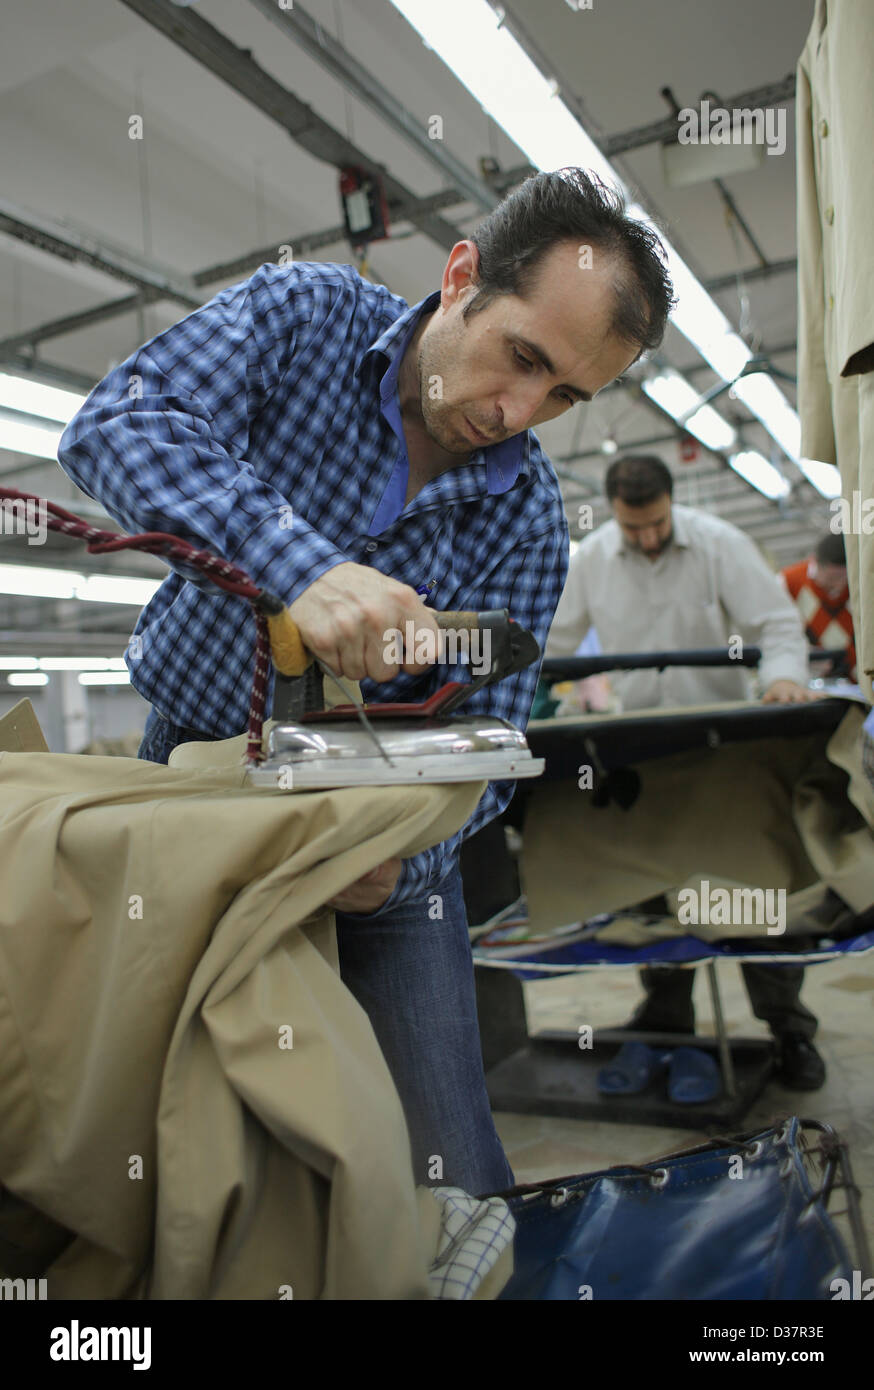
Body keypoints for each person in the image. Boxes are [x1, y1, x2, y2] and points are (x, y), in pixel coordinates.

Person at [57, 170, 675, 1192]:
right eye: (521, 357)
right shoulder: (304, 315)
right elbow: (114, 425)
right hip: (193, 779)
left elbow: (493, 741)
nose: (519, 411)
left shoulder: (525, 517)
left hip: (378, 844)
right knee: (151, 1136)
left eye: (564, 394)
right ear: (463, 274)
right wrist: (299, 563)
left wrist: (405, 866)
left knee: (445, 1168)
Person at [545, 454, 827, 1089]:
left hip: (725, 749)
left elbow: (777, 625)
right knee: (658, 895)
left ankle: (789, 1031)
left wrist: (782, 680)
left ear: (672, 503)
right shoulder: (592, 559)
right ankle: (668, 1026)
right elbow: (554, 646)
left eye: (656, 525)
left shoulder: (719, 544)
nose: (646, 538)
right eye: (632, 528)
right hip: (645, 754)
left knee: (755, 891)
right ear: (615, 515)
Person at [781, 532, 856, 680]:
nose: (839, 584)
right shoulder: (788, 582)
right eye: (833, 577)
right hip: (811, 680)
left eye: (844, 577)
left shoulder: (861, 584)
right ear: (815, 562)